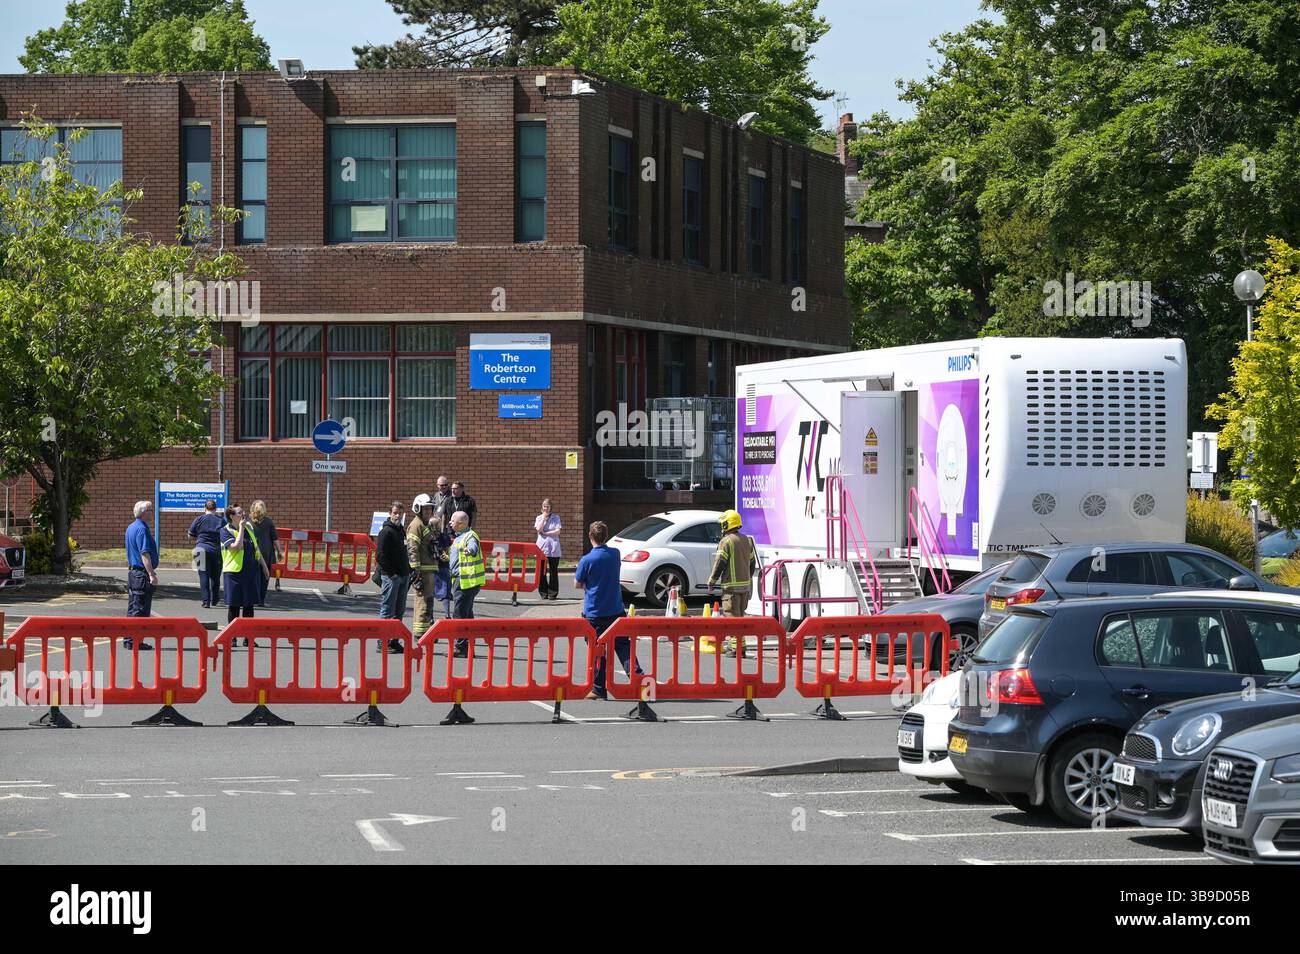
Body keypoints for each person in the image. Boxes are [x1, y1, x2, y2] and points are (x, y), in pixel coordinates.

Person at [578, 520, 640, 700]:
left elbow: (578, 583)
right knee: (623, 645)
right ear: (606, 536)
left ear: (590, 536)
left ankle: (599, 688)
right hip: (615, 609)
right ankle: (636, 676)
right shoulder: (615, 553)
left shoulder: (587, 559)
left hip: (595, 612)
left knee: (598, 649)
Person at [707, 508, 757, 656]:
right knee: (740, 618)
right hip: (745, 588)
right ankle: (740, 645)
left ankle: (736, 648)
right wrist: (746, 578)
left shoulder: (726, 541)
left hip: (731, 589)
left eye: (723, 524)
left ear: (727, 525)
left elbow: (719, 564)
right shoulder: (747, 540)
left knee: (731, 617)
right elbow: (752, 563)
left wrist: (711, 581)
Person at [220, 504, 268, 646]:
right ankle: (232, 637)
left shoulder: (249, 528)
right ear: (231, 516)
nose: (244, 514)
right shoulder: (225, 531)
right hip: (233, 573)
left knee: (249, 606)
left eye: (243, 511)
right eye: (240, 512)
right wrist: (240, 528)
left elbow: (256, 549)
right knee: (234, 606)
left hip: (250, 573)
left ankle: (248, 638)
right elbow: (236, 547)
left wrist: (264, 567)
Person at [375, 500, 411, 652]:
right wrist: (393, 574)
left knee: (399, 610)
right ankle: (382, 642)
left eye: (400, 513)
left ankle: (394, 640)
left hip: (403, 575)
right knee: (388, 609)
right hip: (391, 577)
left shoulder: (401, 530)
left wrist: (408, 571)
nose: (398, 515)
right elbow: (380, 556)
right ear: (390, 514)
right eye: (395, 513)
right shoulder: (386, 532)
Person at [406, 493, 443, 641]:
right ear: (418, 509)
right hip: (423, 571)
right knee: (422, 603)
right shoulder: (416, 525)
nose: (428, 512)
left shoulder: (425, 524)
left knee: (428, 603)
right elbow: (412, 549)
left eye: (430, 509)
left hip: (430, 570)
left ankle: (427, 631)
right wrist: (416, 571)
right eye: (426, 509)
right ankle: (420, 634)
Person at [448, 510, 483, 657]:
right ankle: (468, 646)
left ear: (461, 523)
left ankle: (461, 647)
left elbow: (473, 546)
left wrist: (470, 550)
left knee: (460, 613)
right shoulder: (459, 537)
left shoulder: (470, 536)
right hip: (462, 580)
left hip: (465, 581)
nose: (450, 522)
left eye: (452, 520)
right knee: (467, 614)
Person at [124, 500, 159, 650]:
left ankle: (129, 639)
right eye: (150, 510)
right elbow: (144, 553)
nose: (152, 513)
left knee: (134, 607)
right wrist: (151, 574)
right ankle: (134, 641)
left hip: (133, 573)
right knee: (140, 609)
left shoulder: (131, 527)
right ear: (144, 513)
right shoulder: (142, 530)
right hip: (141, 574)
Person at [187, 499, 224, 609]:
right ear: (215, 509)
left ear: (205, 508)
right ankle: (215, 599)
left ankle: (205, 601)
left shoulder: (199, 519)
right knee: (215, 577)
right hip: (216, 551)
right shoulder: (221, 520)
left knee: (203, 576)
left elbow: (190, 535)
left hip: (200, 550)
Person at [248, 500, 280, 607]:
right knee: (265, 576)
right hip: (267, 552)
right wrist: (280, 551)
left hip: (252, 552)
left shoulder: (248, 522)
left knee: (253, 576)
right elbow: (275, 538)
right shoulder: (269, 522)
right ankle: (261, 599)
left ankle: (254, 598)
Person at [534, 498, 562, 600]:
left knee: (553, 571)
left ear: (551, 508)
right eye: (544, 506)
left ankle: (552, 593)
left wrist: (546, 533)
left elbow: (558, 531)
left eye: (548, 506)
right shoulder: (539, 518)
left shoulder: (556, 518)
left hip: (554, 549)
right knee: (542, 571)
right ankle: (543, 593)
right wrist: (544, 518)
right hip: (542, 549)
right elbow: (538, 529)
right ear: (542, 508)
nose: (546, 508)